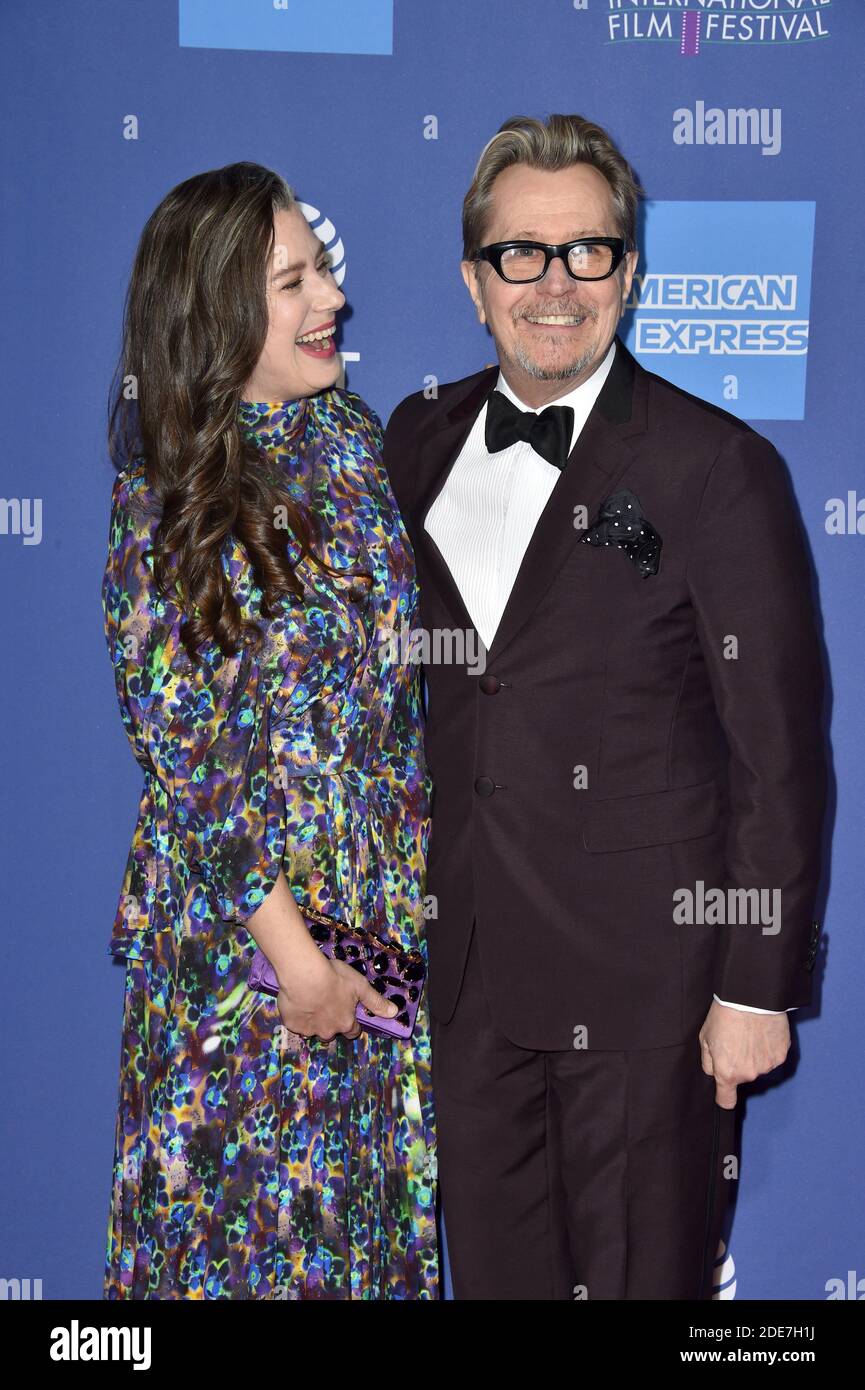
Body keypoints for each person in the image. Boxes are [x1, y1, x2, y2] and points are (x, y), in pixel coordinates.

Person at [382, 114, 826, 1300]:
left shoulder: (714, 467)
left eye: (588, 251)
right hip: (464, 977)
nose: (554, 285)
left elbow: (777, 752)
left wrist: (753, 984)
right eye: (520, 254)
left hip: (653, 996)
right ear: (474, 281)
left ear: (629, 272)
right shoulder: (413, 441)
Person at [101, 162, 437, 1299]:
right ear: (215, 317)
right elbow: (187, 754)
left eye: (322, 268)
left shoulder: (352, 434)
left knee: (362, 1245)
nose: (330, 299)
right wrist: (298, 965)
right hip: (247, 952)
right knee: (245, 1256)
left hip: (374, 920)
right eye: (290, 281)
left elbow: (392, 704)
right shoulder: (165, 490)